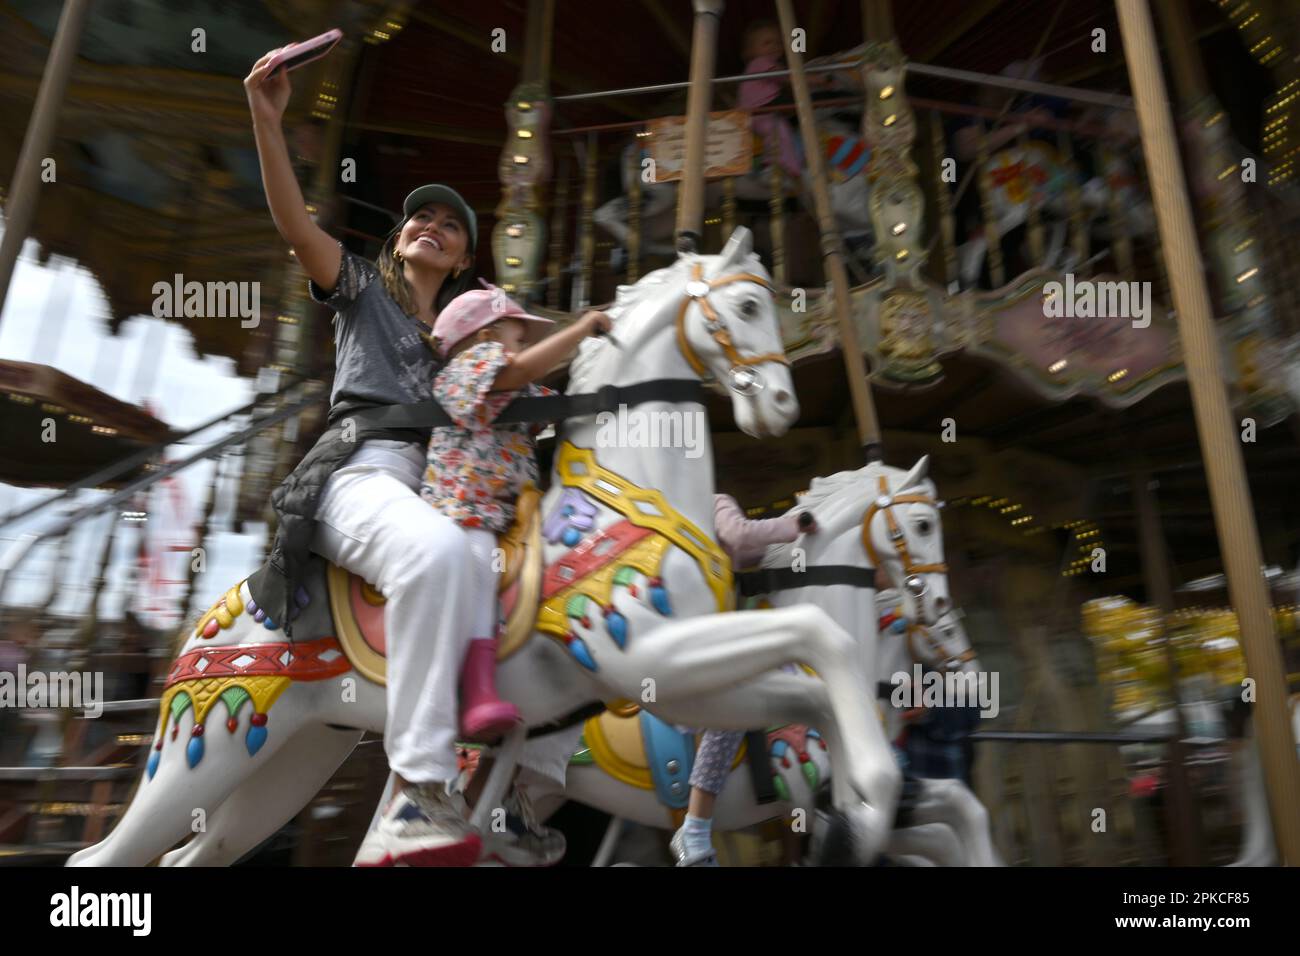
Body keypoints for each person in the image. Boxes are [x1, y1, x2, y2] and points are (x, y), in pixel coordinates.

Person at [240, 46, 564, 867]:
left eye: (449, 226)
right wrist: (268, 121)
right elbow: (293, 225)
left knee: (541, 594)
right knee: (435, 555)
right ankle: (417, 794)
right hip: (365, 471)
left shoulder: (458, 350)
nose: (430, 225)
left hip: (436, 489)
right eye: (420, 217)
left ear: (459, 261)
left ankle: (519, 790)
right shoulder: (362, 289)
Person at [421, 284, 611, 741]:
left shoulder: (512, 379)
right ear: (484, 334)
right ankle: (477, 689)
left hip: (506, 514)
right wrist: (582, 328)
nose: (521, 348)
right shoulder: (470, 367)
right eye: (517, 335)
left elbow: (547, 395)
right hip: (464, 509)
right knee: (481, 568)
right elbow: (522, 369)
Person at [669, 494, 816, 867]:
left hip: (692, 632)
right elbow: (738, 534)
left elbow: (746, 553)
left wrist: (793, 542)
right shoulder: (709, 500)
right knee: (735, 705)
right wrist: (794, 523)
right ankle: (696, 826)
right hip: (691, 637)